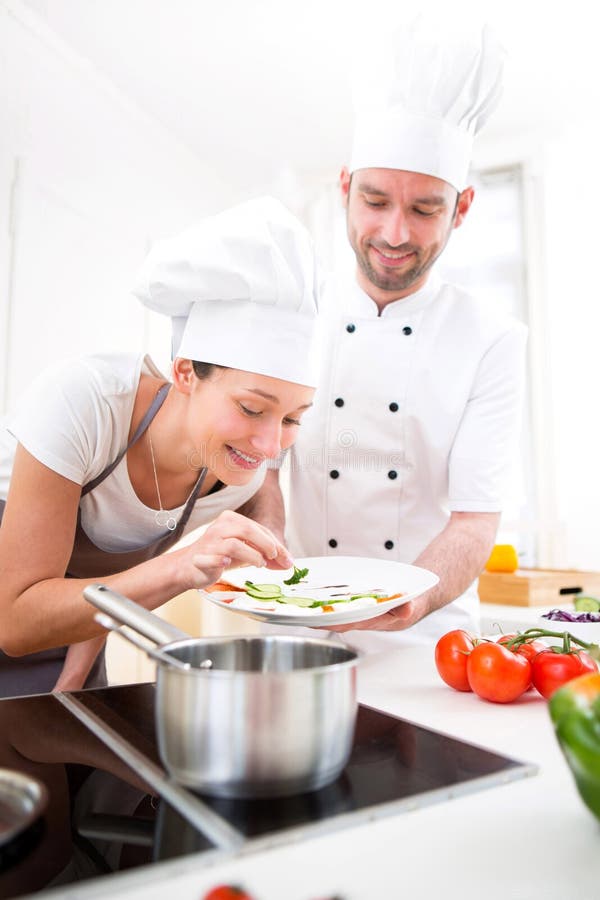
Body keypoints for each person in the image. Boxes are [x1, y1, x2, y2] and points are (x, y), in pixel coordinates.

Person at [250, 19, 528, 649]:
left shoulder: (493, 338)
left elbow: (476, 517)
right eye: (375, 200)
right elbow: (265, 470)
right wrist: (268, 552)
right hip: (298, 620)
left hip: (427, 637)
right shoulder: (295, 307)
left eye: (426, 209)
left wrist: (411, 600)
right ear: (345, 188)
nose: (395, 233)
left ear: (461, 209)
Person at [0, 196, 321, 696]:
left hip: (77, 629)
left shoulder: (235, 464)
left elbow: (109, 570)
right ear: (185, 371)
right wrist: (180, 567)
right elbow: (16, 621)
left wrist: (73, 676)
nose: (269, 445)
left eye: (293, 418)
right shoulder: (85, 403)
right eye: (252, 409)